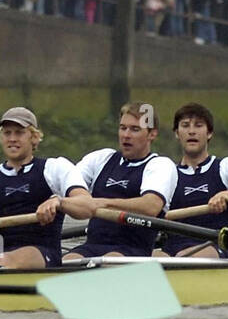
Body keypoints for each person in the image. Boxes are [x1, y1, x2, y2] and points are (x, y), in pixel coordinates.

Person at [48, 102, 178, 258]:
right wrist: (56, 200)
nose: (126, 135)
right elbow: (69, 184)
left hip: (133, 250)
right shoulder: (101, 159)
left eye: (135, 129)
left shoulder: (161, 165)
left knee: (110, 261)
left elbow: (151, 206)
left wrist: (101, 203)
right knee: (66, 262)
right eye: (123, 128)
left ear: (152, 134)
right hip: (92, 246)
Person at [0, 108, 74, 270]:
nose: (12, 139)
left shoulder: (54, 168)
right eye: (7, 133)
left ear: (34, 138)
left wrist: (59, 202)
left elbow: (83, 203)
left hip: (41, 253)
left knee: (6, 261)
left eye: (19, 133)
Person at [157, 103, 228, 258]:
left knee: (185, 257)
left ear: (209, 133)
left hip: (214, 246)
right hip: (172, 249)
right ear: (177, 133)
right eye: (185, 125)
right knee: (147, 260)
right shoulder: (167, 173)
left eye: (199, 125)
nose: (192, 131)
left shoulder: (227, 166)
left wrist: (227, 195)